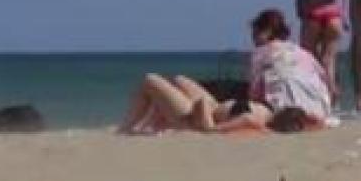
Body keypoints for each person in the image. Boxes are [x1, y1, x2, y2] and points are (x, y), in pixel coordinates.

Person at [118, 74, 321, 135]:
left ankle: (125, 129)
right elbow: (315, 122)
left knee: (149, 80)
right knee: (179, 79)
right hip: (214, 106)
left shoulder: (254, 119)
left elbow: (212, 130)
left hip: (194, 118)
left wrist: (203, 110)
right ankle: (151, 124)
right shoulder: (268, 114)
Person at [249, 9, 333, 122]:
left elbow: (254, 94)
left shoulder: (261, 53)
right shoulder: (301, 51)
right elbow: (324, 79)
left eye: (255, 34)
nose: (253, 40)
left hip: (286, 110)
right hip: (320, 108)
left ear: (267, 31)